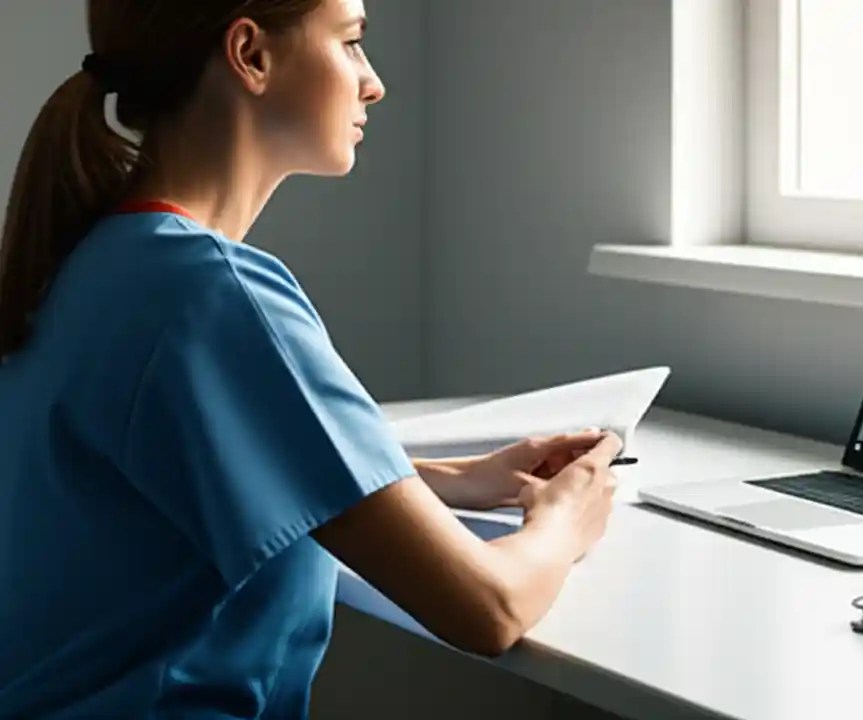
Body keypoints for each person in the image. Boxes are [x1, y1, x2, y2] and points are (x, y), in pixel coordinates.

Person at [0, 1, 620, 716]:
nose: (373, 82)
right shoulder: (212, 296)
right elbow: (488, 606)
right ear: (251, 55)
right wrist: (564, 521)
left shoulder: (101, 263)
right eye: (351, 43)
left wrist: (451, 480)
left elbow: (173, 474)